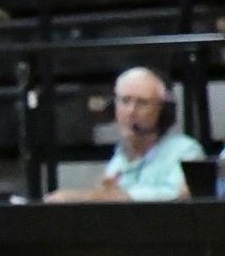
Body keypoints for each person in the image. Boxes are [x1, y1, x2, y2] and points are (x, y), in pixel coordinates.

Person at [45, 67, 203, 203]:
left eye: (142, 103)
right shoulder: (120, 156)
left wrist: (124, 197)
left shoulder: (184, 150)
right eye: (125, 101)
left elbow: (179, 195)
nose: (131, 111)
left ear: (163, 110)